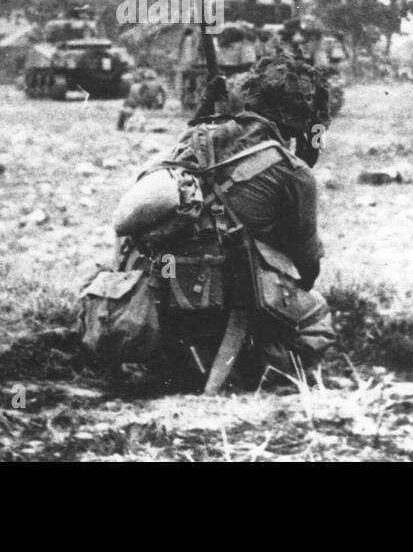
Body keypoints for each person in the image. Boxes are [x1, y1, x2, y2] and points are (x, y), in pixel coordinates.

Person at [82, 52, 334, 391]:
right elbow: (307, 265)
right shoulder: (293, 171)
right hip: (229, 307)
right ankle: (259, 370)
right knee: (316, 316)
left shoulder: (196, 139)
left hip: (157, 303)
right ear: (302, 116)